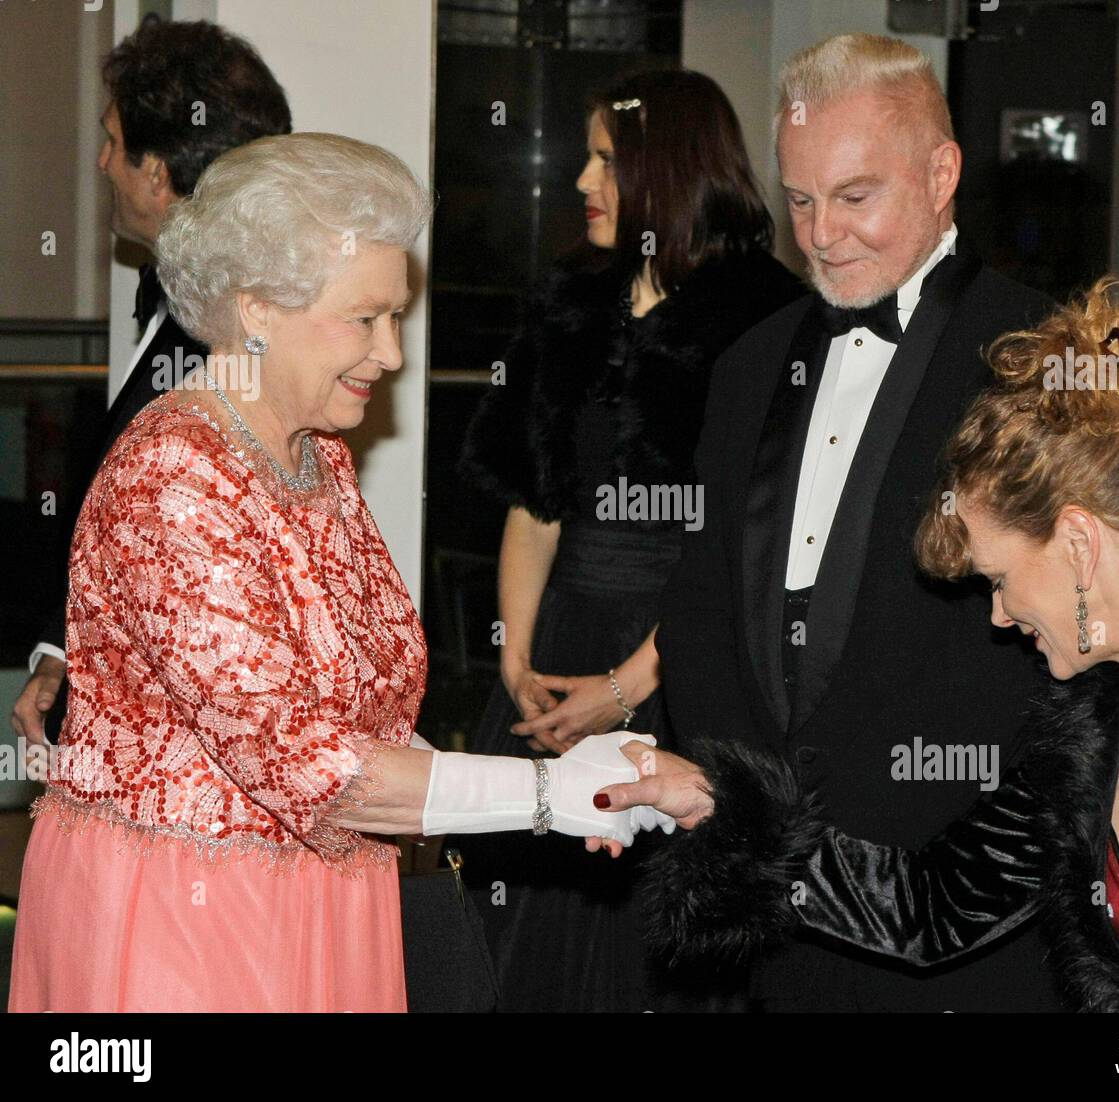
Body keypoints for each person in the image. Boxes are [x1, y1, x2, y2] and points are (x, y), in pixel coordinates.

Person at [7, 133, 667, 1013]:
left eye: (396, 316)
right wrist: (549, 794)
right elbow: (314, 768)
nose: (392, 354)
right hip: (186, 928)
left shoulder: (315, 455)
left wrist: (582, 775)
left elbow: (362, 722)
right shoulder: (172, 479)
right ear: (255, 311)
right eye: (366, 319)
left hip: (324, 902)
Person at [598, 278, 1119, 1013]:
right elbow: (929, 906)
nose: (997, 615)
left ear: (1078, 545)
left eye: (997, 579)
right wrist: (710, 804)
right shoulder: (1090, 727)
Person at [648, 33, 1061, 1010]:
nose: (820, 233)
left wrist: (939, 872)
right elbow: (700, 605)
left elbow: (1069, 662)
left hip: (959, 922)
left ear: (941, 172)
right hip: (770, 917)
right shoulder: (748, 362)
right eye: (798, 201)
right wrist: (744, 810)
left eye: (854, 196)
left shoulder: (1038, 358)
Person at [455, 69, 805, 1011]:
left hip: (679, 665)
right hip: (560, 645)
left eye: (605, 158)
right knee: (515, 935)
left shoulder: (765, 317)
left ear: (669, 167)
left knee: (641, 953)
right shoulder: (573, 296)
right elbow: (535, 500)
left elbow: (739, 548)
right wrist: (515, 659)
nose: (580, 180)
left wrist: (622, 689)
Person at [11, 16, 292, 754]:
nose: (101, 162)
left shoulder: (239, 336)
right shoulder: (173, 302)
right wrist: (59, 652)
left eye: (112, 142)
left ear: (159, 171)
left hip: (175, 746)